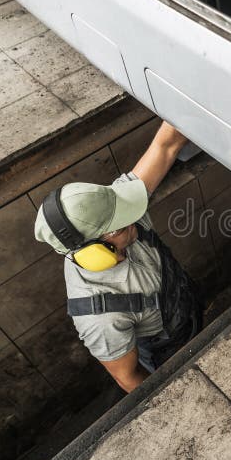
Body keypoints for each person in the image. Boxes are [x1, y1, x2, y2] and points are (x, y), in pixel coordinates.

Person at [34, 121, 202, 392]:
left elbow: (167, 145)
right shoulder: (100, 316)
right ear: (95, 249)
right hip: (169, 351)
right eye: (120, 226)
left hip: (188, 309)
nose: (133, 220)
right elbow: (128, 378)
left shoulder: (117, 209)